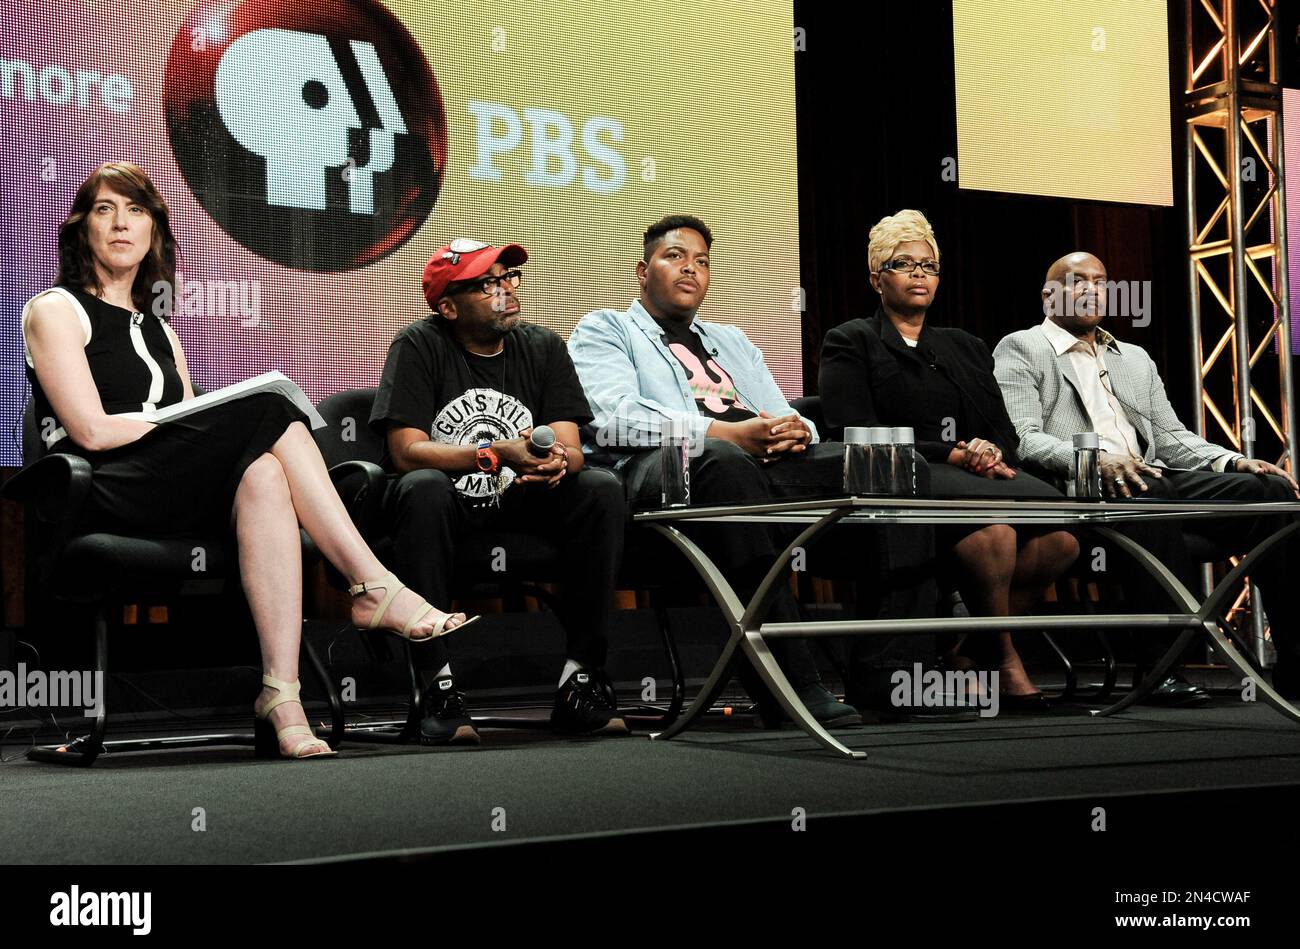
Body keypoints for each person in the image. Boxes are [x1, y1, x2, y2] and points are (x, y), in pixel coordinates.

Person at [21, 162, 472, 759]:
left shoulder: (162, 330)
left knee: (262, 471)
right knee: (267, 409)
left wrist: (199, 428)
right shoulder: (56, 309)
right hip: (105, 486)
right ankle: (372, 585)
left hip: (171, 488)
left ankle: (281, 695)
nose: (121, 224)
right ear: (83, 229)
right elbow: (92, 431)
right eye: (105, 210)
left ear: (154, 229)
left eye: (136, 211)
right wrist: (197, 425)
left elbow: (185, 434)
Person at [568, 213, 943, 726]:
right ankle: (788, 685)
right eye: (674, 256)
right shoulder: (605, 329)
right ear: (642, 270)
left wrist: (797, 432)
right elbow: (615, 418)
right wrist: (728, 434)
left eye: (702, 261)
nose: (690, 269)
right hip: (664, 475)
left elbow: (785, 413)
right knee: (724, 461)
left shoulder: (733, 341)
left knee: (899, 465)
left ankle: (889, 670)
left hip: (758, 467)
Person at [993, 251, 1300, 702]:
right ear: (1048, 295)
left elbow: (1171, 437)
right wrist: (1097, 459)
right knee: (1148, 489)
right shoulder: (1023, 347)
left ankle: (1294, 663)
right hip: (1084, 489)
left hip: (1153, 478)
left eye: (1100, 281)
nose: (1091, 289)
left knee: (1275, 493)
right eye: (1077, 281)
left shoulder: (1133, 357)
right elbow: (1024, 438)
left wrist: (1231, 461)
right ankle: (1161, 668)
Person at [819, 210, 1078, 707]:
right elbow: (852, 429)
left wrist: (988, 448)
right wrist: (951, 452)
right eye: (903, 264)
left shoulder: (964, 345)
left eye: (929, 265)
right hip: (902, 488)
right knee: (995, 536)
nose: (919, 274)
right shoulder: (850, 340)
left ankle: (967, 648)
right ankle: (1003, 659)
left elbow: (1001, 427)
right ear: (877, 279)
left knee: (1061, 542)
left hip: (977, 478)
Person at [372, 239, 628, 741]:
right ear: (447, 307)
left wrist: (558, 461)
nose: (505, 290)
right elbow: (406, 452)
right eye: (486, 284)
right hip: (446, 507)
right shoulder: (419, 344)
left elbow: (573, 447)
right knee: (422, 488)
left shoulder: (544, 347)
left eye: (509, 278)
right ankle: (437, 687)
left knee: (599, 487)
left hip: (521, 500)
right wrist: (493, 455)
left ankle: (582, 681)